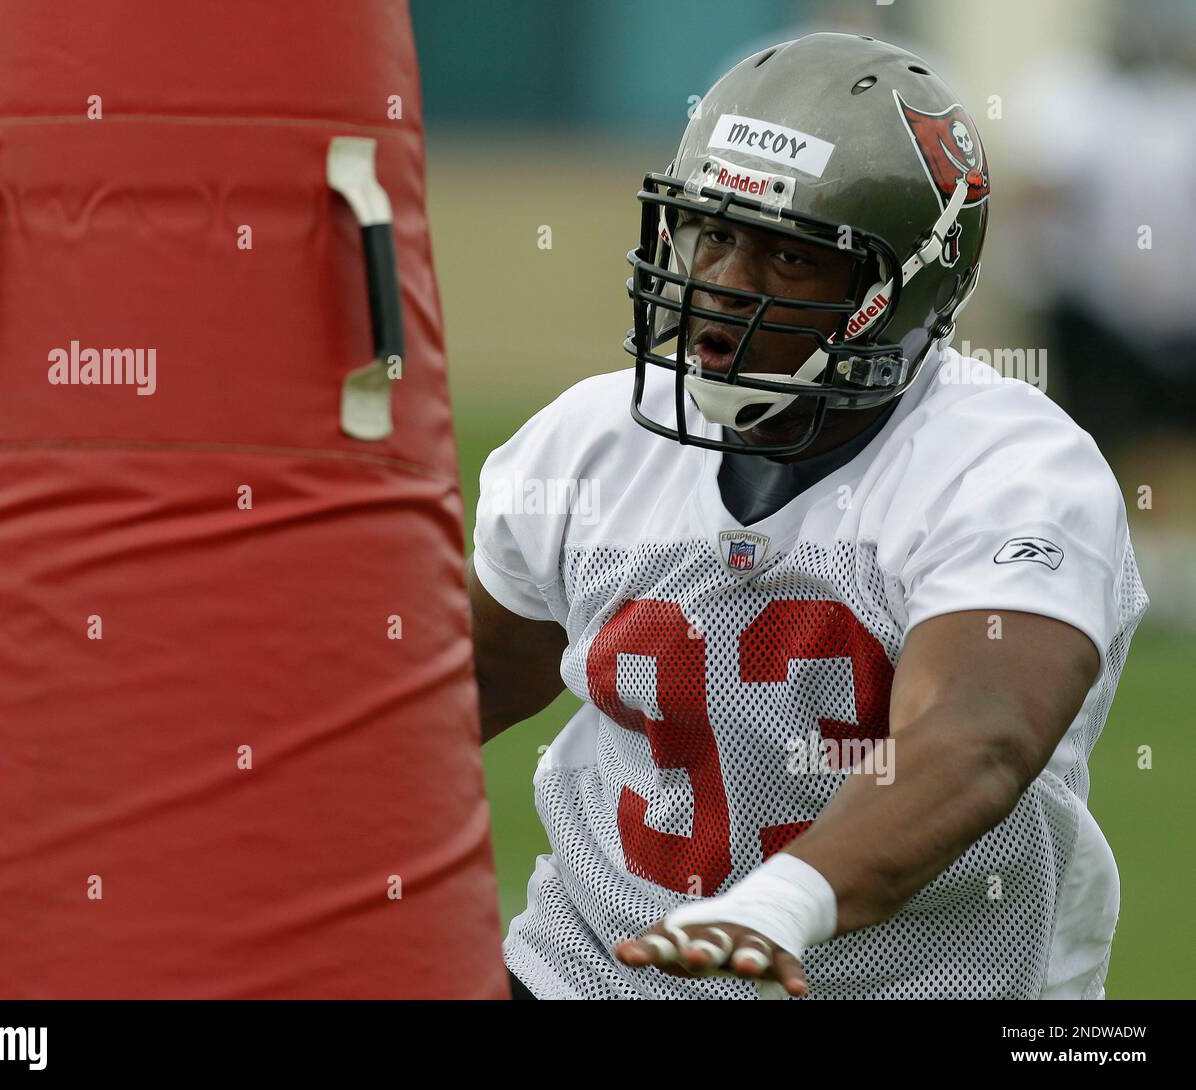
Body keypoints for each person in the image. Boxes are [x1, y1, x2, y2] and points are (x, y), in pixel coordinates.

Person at [468, 33, 1147, 999]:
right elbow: (457, 692)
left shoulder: (1012, 469)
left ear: (898, 290)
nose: (724, 284)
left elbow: (975, 733)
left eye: (789, 255)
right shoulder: (590, 442)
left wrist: (781, 901)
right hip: (587, 975)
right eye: (713, 232)